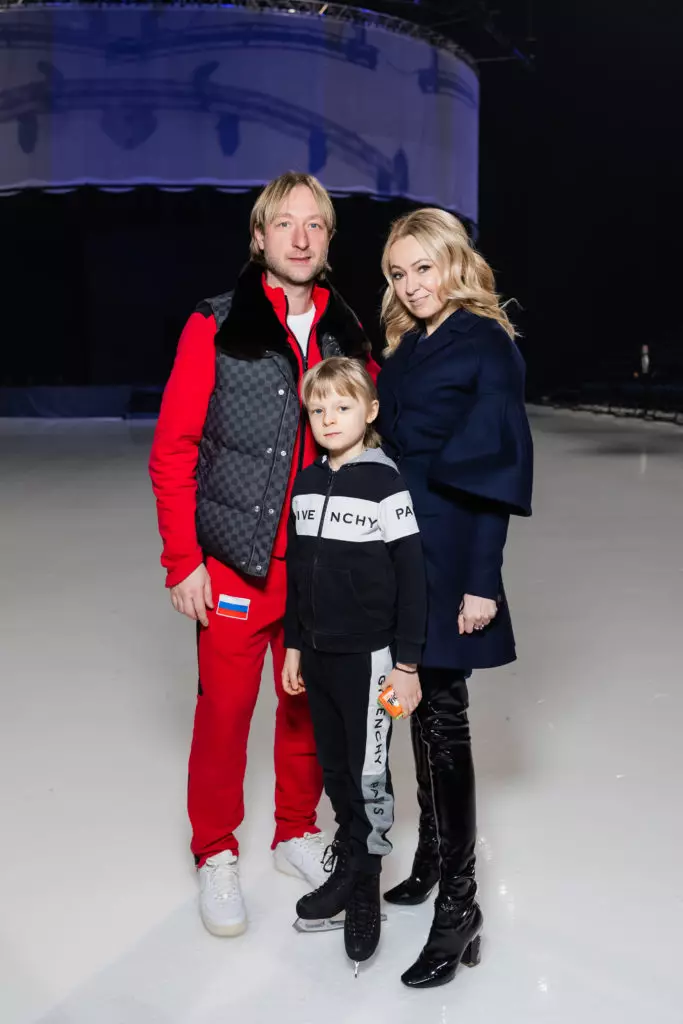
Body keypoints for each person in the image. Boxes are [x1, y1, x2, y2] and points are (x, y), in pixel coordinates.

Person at [149, 172, 380, 938]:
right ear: (259, 237)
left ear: (328, 240)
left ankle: (295, 831)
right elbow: (173, 449)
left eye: (316, 224)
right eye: (285, 224)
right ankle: (215, 851)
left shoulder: (349, 335)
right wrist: (182, 560)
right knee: (225, 714)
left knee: (308, 704)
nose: (302, 237)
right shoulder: (215, 325)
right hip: (236, 564)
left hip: (321, 566)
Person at [376, 208, 533, 988]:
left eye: (422, 268)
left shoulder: (486, 343)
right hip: (401, 544)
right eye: (397, 275)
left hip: (452, 551)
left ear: (452, 262)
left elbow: (496, 472)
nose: (410, 286)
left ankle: (460, 907)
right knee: (412, 699)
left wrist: (482, 581)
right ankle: (433, 856)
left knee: (444, 717)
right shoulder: (405, 345)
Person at [282, 357, 427, 970]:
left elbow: (413, 577)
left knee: (370, 775)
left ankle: (364, 887)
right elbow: (296, 572)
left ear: (368, 413)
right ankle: (351, 864)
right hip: (317, 653)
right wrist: (293, 642)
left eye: (341, 407)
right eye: (317, 410)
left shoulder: (385, 483)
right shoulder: (309, 484)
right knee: (337, 768)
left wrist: (408, 664)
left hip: (371, 660)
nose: (328, 419)